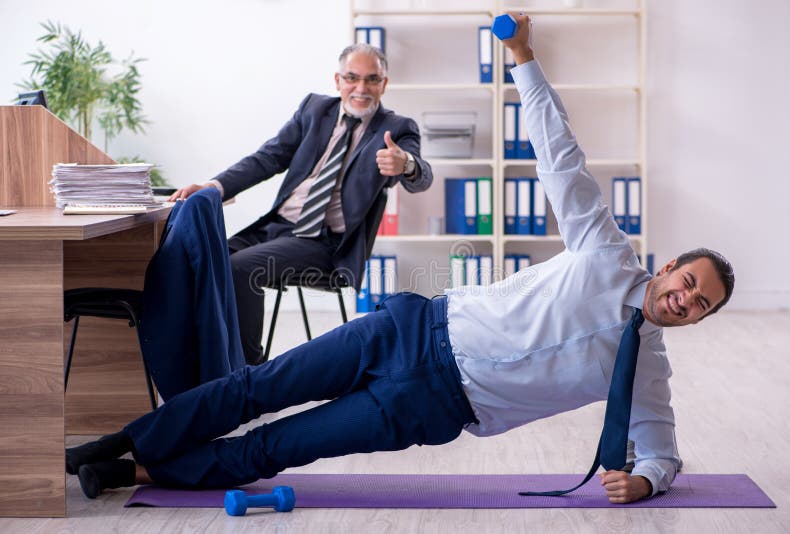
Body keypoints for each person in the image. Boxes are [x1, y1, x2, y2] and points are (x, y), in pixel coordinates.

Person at [67, 16, 734, 505]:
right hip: (412, 328)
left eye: (700, 304)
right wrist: (522, 56)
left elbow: (662, 450)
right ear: (671, 265)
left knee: (280, 447)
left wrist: (646, 479)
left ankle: (137, 472)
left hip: (432, 404)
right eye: (689, 282)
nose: (686, 299)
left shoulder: (649, 369)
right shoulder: (605, 250)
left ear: (698, 320)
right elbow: (560, 156)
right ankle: (119, 442)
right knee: (256, 390)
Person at [169, 43, 433, 365]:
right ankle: (211, 361)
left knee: (240, 269)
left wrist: (404, 164)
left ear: (384, 84)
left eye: (372, 80)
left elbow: (422, 176)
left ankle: (249, 373)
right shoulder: (314, 109)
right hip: (278, 228)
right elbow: (269, 157)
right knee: (204, 259)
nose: (361, 88)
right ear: (337, 80)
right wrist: (214, 186)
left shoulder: (397, 129)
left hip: (324, 243)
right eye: (352, 77)